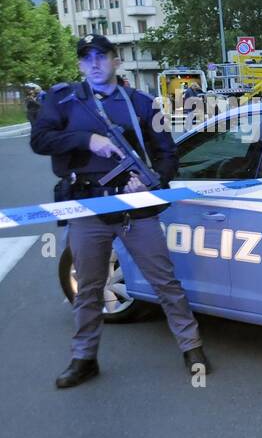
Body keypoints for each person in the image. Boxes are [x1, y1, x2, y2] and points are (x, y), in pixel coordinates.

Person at [30, 34, 210, 388]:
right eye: (86, 58)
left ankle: (192, 348)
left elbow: (167, 154)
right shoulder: (63, 100)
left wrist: (153, 181)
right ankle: (84, 358)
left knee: (165, 281)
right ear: (80, 64)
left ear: (116, 60)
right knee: (89, 288)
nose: (94, 63)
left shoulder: (141, 103)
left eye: (101, 56)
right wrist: (86, 140)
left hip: (134, 206)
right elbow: (40, 140)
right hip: (89, 205)